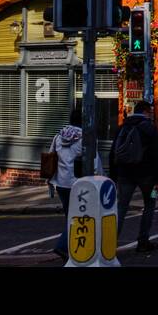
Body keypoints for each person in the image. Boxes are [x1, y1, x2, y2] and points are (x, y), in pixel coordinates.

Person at [110, 100, 158, 253]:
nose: (152, 115)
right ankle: (143, 241)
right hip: (147, 176)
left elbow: (114, 151)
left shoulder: (123, 126)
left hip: (124, 175)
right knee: (150, 203)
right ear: (146, 111)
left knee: (121, 207)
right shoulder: (150, 128)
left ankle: (110, 244)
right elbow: (156, 155)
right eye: (151, 112)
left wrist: (113, 175)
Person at [49, 104, 102, 258]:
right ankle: (62, 246)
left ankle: (72, 247)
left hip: (61, 183)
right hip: (79, 184)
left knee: (70, 215)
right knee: (77, 217)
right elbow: (94, 162)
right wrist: (100, 179)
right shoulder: (86, 137)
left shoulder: (59, 136)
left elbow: (51, 155)